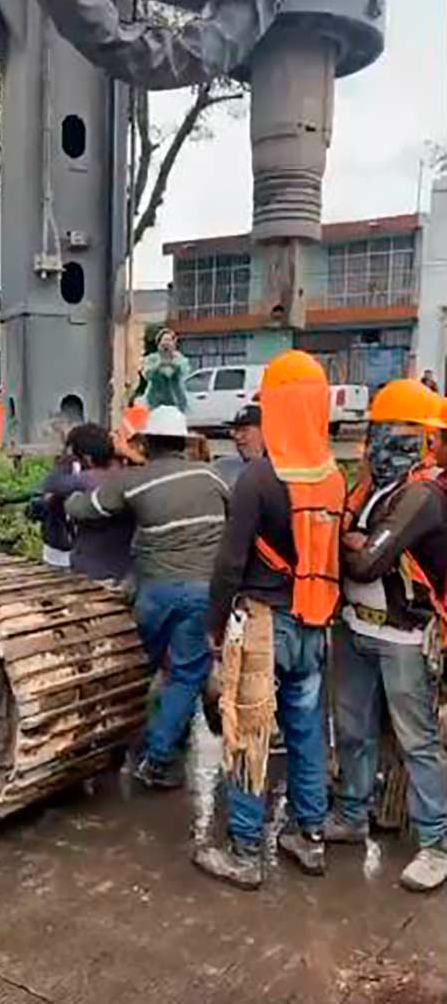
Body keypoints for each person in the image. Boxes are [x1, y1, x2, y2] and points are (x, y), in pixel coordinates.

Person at [207, 351, 345, 890]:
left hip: (263, 625)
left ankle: (244, 850)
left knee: (248, 736)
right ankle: (307, 837)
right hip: (314, 625)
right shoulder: (333, 478)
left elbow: (229, 563)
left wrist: (214, 625)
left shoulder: (259, 479)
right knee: (308, 734)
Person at [326, 379, 447, 892]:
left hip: (403, 636)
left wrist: (353, 542)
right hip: (356, 628)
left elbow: (369, 560)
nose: (380, 442)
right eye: (377, 431)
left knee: (418, 741)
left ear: (424, 440)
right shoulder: (371, 485)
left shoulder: (423, 494)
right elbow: (342, 545)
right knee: (352, 731)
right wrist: (351, 537)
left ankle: (436, 844)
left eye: (396, 433)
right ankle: (352, 813)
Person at [66, 405, 229, 787]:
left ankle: (115, 742)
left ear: (148, 443)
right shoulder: (213, 476)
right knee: (187, 675)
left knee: (139, 667)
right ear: (183, 443)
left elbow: (83, 509)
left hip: (155, 592)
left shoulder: (135, 482)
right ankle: (158, 758)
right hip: (204, 592)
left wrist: (70, 487)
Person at [43, 423, 133, 583]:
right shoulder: (131, 476)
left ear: (86, 459)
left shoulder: (85, 480)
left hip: (91, 573)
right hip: (126, 573)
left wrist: (65, 460)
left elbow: (52, 484)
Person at [142, 329, 191, 413]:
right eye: (164, 340)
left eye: (169, 340)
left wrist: (172, 363)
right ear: (158, 344)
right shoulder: (151, 359)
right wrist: (159, 364)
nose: (166, 344)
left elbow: (185, 372)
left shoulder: (180, 359)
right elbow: (147, 374)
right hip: (155, 403)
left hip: (176, 402)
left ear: (174, 344)